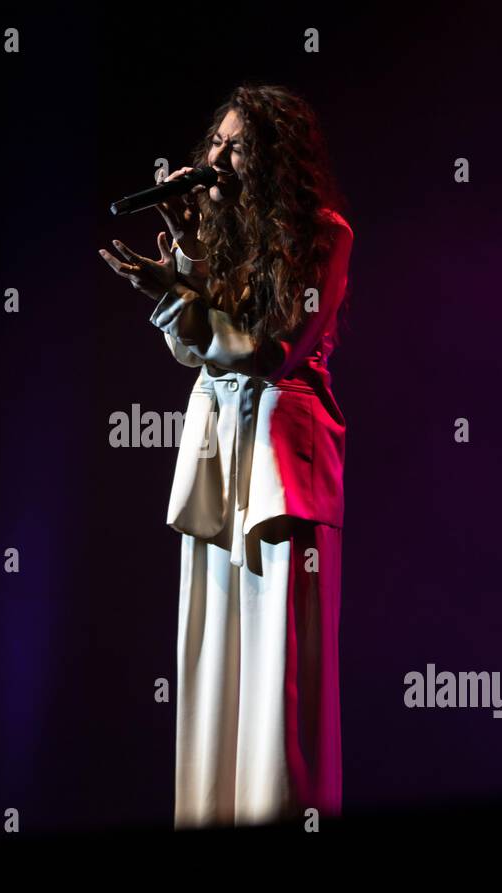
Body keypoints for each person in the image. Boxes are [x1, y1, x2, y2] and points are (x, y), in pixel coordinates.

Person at [99, 85, 354, 827]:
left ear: (275, 159)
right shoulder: (222, 236)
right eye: (215, 143)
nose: (217, 158)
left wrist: (180, 286)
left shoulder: (325, 232)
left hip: (283, 460)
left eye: (237, 145)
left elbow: (268, 349)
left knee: (279, 672)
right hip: (216, 456)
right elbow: (191, 350)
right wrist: (186, 252)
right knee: (211, 659)